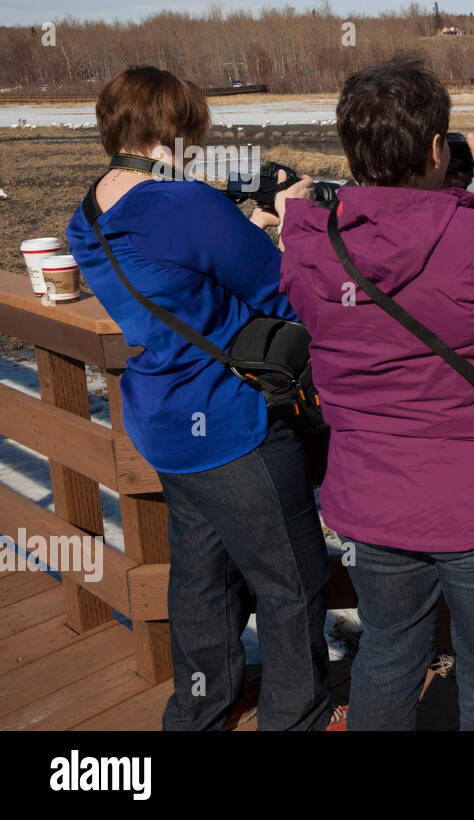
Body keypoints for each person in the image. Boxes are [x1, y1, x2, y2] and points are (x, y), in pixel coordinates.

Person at [276, 56, 474, 730]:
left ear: (353, 153)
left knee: (386, 653)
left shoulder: (310, 244)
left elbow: (352, 240)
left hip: (372, 504)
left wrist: (296, 206)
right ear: (439, 148)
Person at [65, 66, 333, 730]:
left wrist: (243, 219)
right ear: (166, 133)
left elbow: (173, 274)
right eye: (189, 133)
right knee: (292, 585)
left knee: (202, 579)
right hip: (232, 423)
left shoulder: (92, 209)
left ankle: (199, 710)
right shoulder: (183, 202)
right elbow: (281, 292)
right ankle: (295, 718)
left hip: (164, 418)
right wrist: (293, 220)